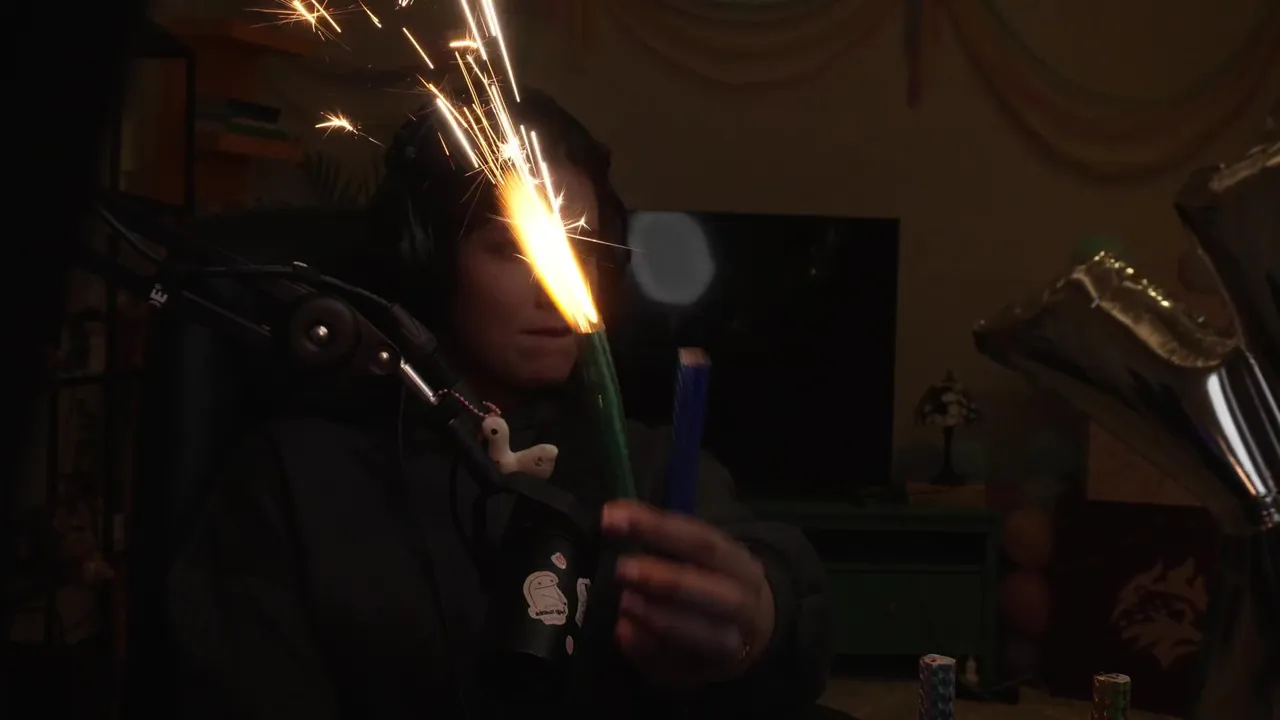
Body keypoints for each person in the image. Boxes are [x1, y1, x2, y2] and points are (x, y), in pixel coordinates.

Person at [165, 89, 833, 719]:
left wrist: (759, 617)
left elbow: (780, 588)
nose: (558, 285)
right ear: (430, 263)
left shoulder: (646, 466)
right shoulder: (296, 481)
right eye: (516, 249)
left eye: (582, 248)